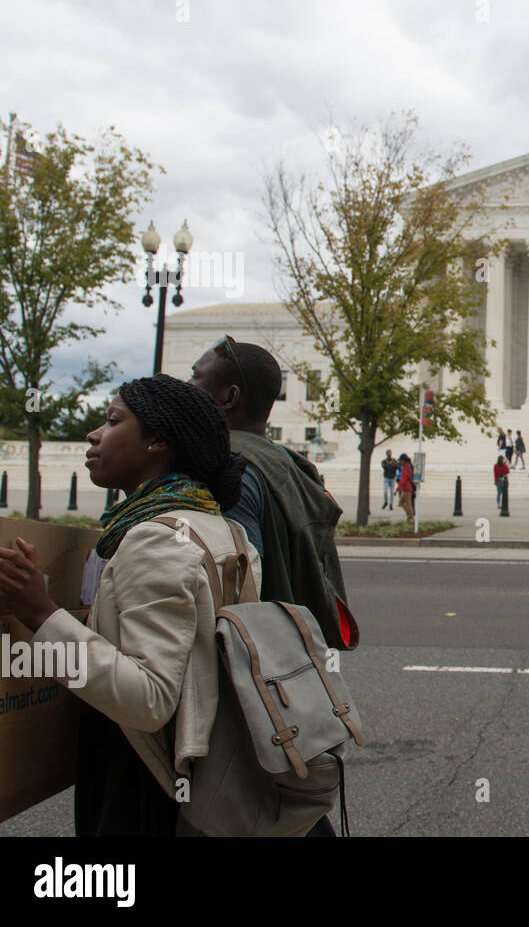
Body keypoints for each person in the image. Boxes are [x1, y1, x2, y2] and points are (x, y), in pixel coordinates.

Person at [0, 374, 257, 837]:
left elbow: (149, 699)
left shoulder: (156, 539)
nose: (94, 434)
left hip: (143, 784)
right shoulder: (220, 527)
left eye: (113, 421)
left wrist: (39, 613)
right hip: (200, 772)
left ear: (157, 441)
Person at [189, 337, 356, 837]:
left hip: (254, 686)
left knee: (252, 809)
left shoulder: (230, 471)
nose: (187, 386)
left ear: (228, 396)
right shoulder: (289, 465)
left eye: (196, 378)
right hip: (294, 676)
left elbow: (237, 594)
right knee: (291, 808)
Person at [396, 454, 415, 521]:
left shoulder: (405, 468)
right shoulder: (407, 467)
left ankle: (411, 517)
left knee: (408, 504)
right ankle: (410, 515)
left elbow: (403, 480)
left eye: (401, 460)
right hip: (406, 488)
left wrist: (397, 489)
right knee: (401, 502)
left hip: (406, 489)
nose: (400, 462)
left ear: (404, 460)